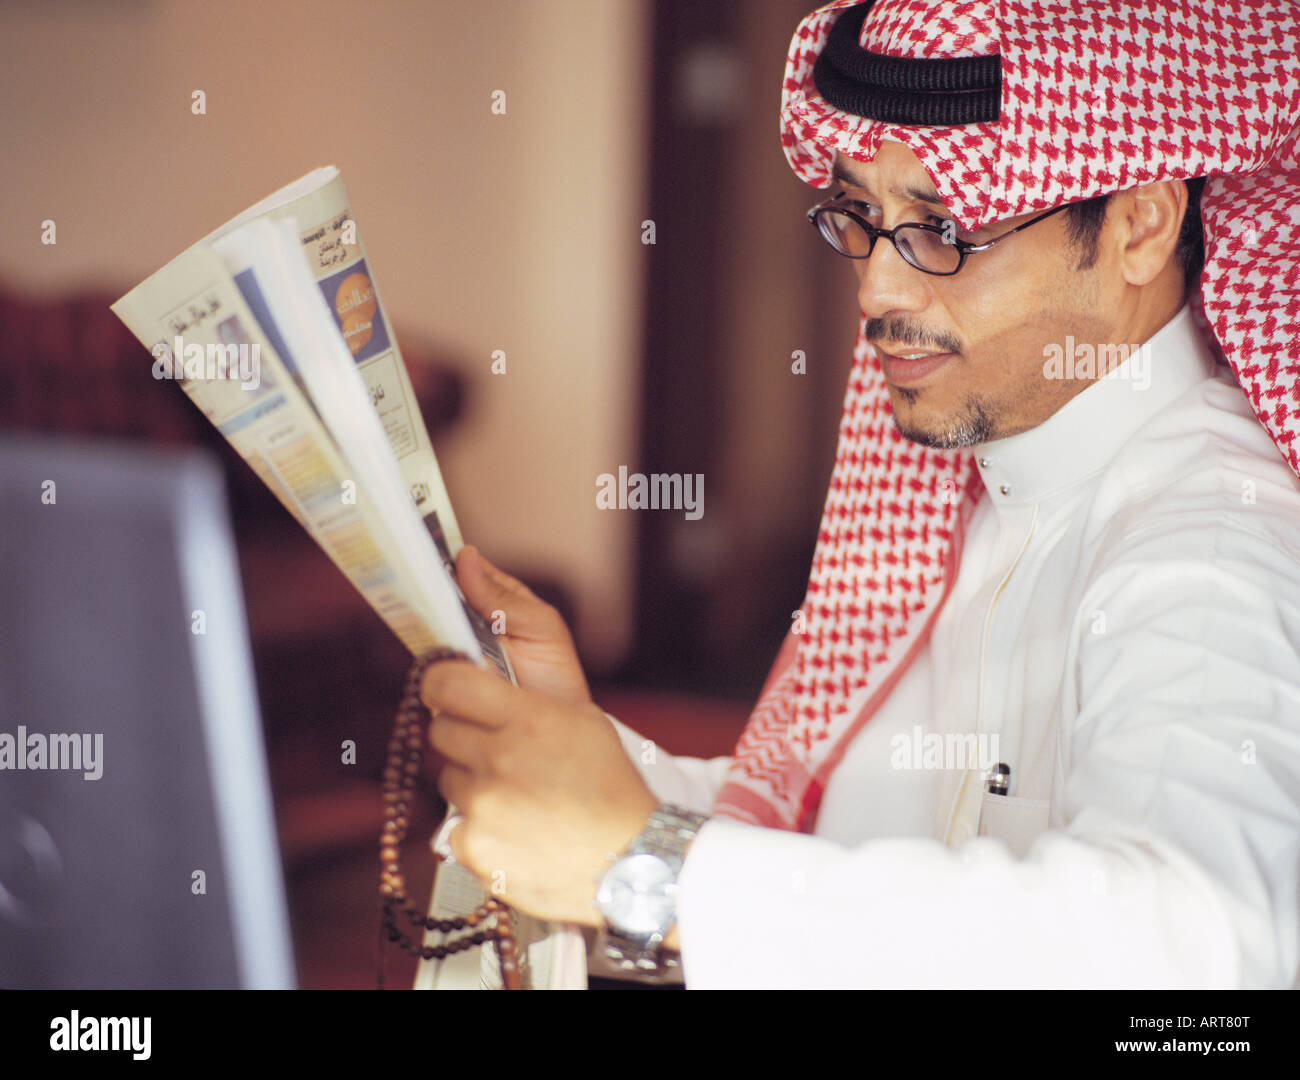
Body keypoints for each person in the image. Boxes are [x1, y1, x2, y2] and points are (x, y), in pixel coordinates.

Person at [420, 0, 1300, 989]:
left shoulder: (1213, 543)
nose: (877, 291)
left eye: (944, 229)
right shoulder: (979, 474)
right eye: (863, 219)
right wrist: (588, 769)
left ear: (1139, 224)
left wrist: (651, 873)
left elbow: (1200, 943)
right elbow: (869, 829)